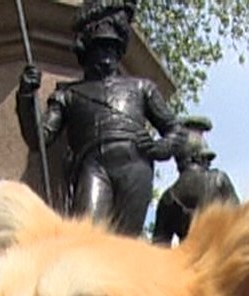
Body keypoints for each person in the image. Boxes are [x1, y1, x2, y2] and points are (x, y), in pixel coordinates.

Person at [17, 0, 181, 236]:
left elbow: (175, 130)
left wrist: (160, 147)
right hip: (93, 165)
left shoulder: (142, 88)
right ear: (86, 51)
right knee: (86, 239)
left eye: (111, 49)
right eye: (99, 48)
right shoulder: (67, 94)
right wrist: (26, 95)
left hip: (135, 165)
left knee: (126, 246)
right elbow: (38, 138)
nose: (106, 57)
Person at [151, 116, 238, 246]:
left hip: (188, 263)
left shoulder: (167, 199)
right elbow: (239, 222)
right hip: (219, 257)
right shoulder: (218, 180)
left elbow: (159, 249)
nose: (208, 163)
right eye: (206, 158)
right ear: (197, 157)